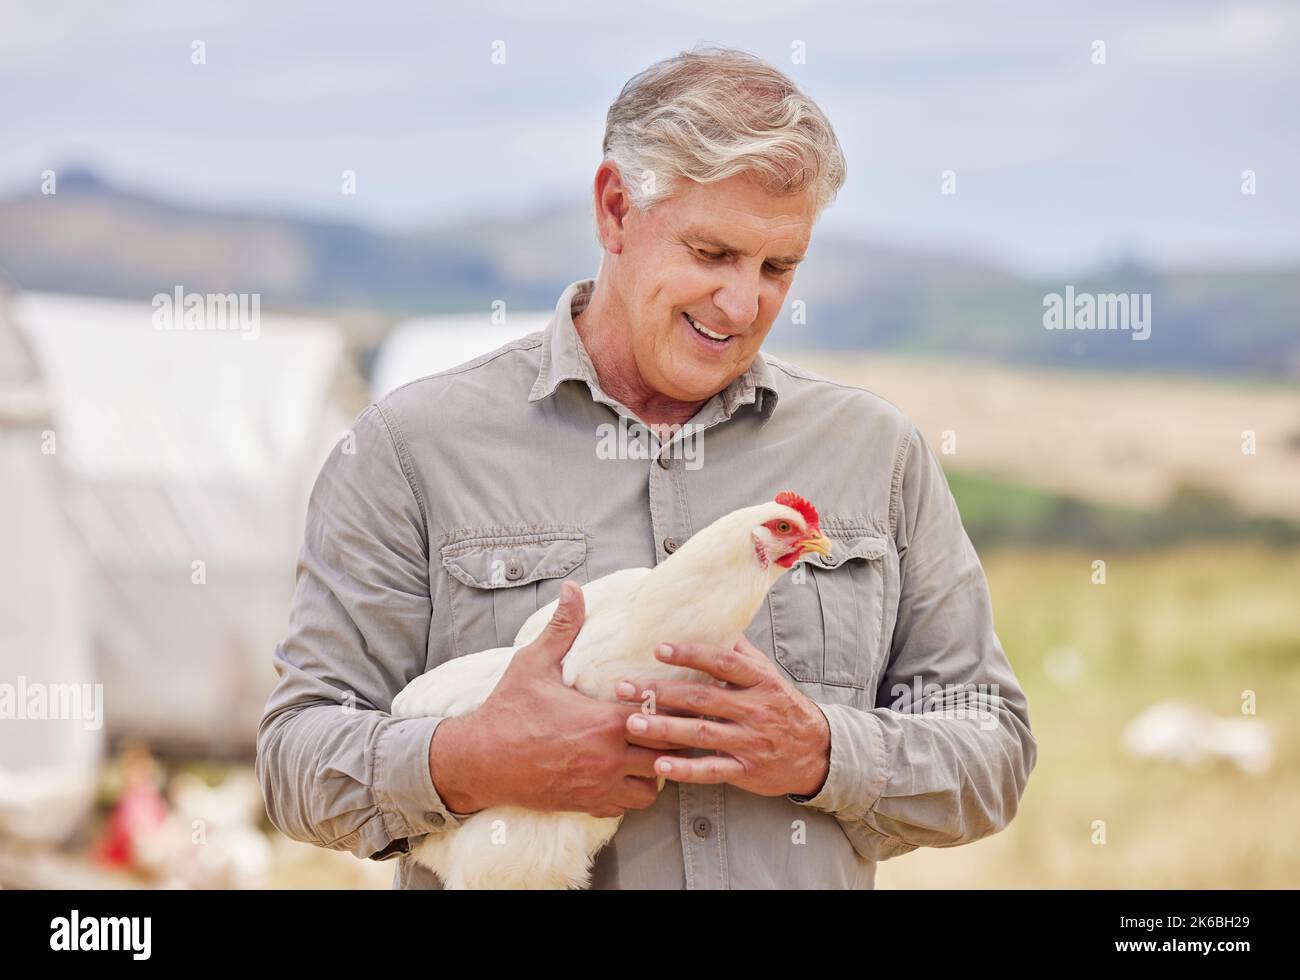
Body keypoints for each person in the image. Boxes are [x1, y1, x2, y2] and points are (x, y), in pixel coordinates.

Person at [256, 44, 1036, 889]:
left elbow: (991, 749)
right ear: (617, 208)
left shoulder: (876, 454)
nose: (744, 305)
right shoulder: (409, 450)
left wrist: (821, 750)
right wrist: (474, 759)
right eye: (712, 254)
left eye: (778, 269)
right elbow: (298, 761)